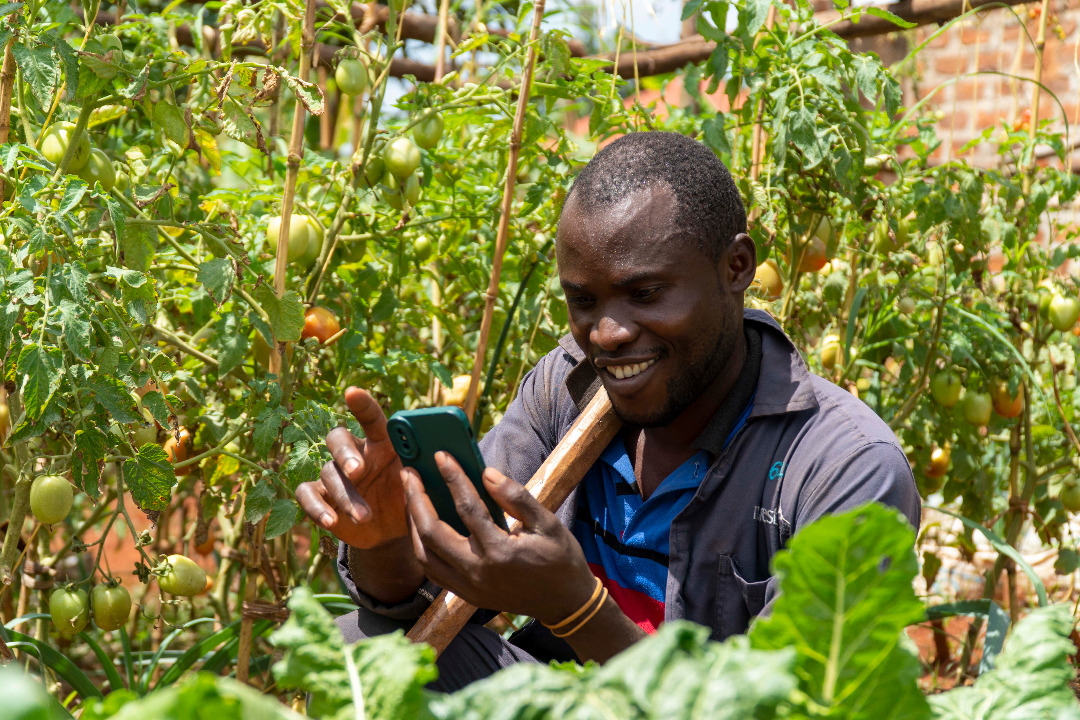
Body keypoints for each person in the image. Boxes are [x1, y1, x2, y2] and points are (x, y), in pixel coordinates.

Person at [296, 131, 921, 691]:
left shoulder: (845, 467)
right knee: (363, 649)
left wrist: (579, 610)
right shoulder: (567, 387)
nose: (608, 333)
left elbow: (791, 710)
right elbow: (434, 598)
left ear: (737, 267)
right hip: (561, 701)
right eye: (584, 301)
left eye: (645, 293)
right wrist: (382, 543)